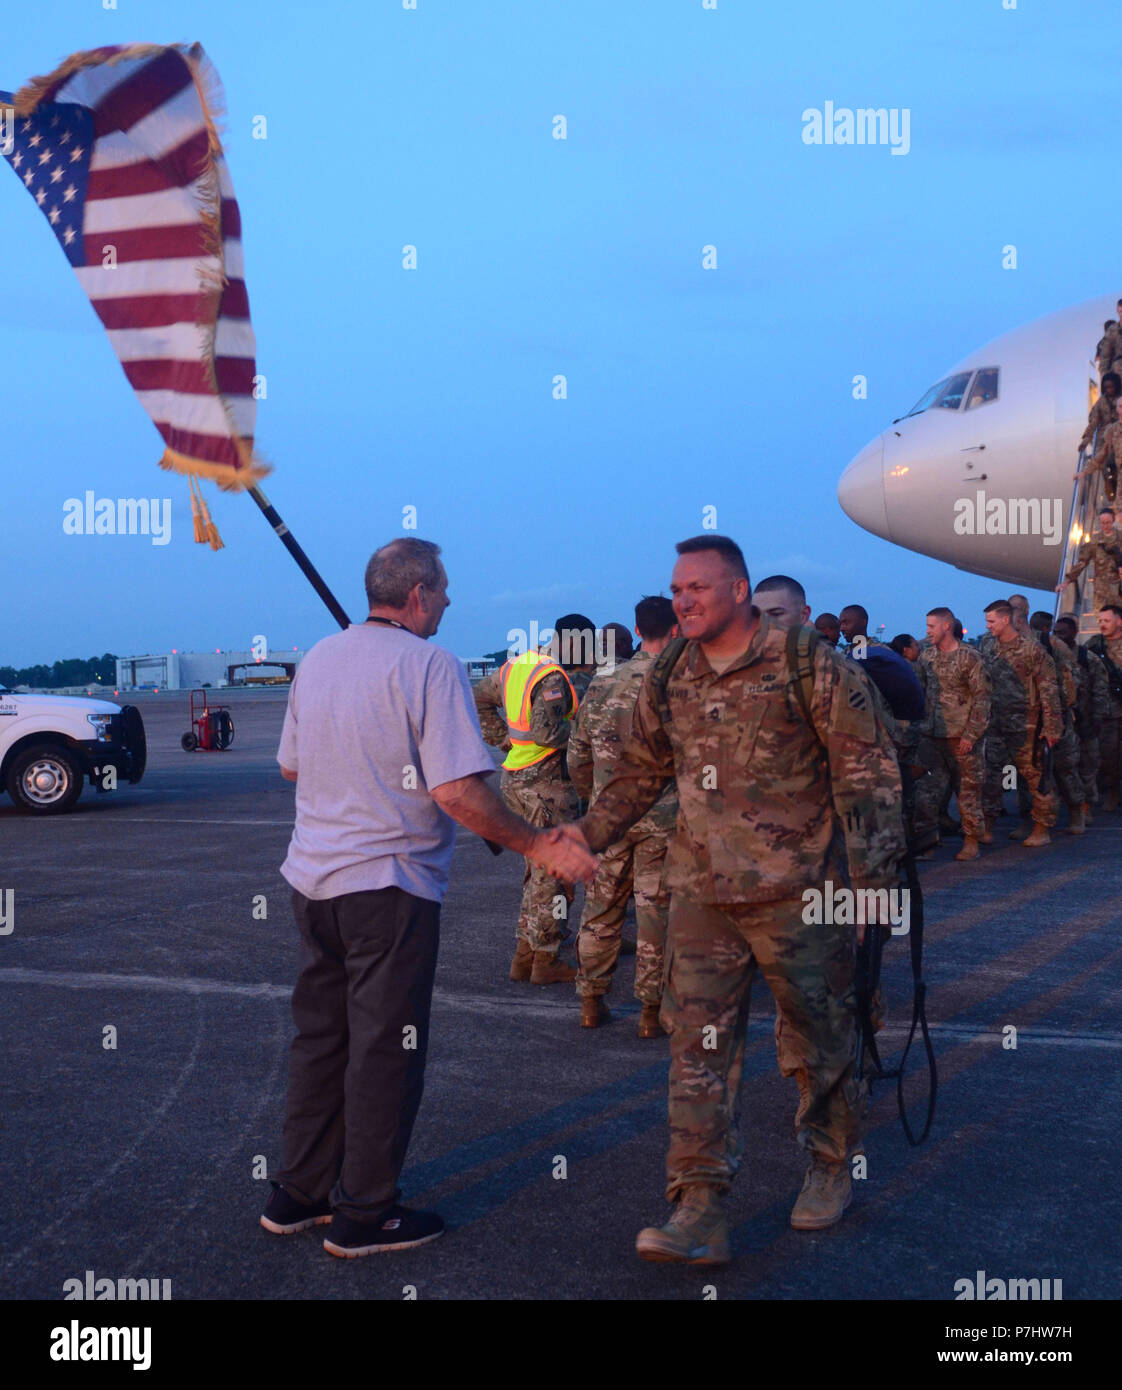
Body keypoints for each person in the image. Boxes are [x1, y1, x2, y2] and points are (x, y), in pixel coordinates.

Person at [573, 535, 905, 1263]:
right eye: (676, 588)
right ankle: (699, 1207)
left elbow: (867, 774)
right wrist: (585, 836)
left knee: (820, 1041)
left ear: (738, 590)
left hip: (803, 896)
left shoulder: (805, 661)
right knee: (697, 1054)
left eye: (697, 588)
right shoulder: (670, 671)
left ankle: (826, 1166)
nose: (683, 600)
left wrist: (875, 898)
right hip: (702, 894)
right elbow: (636, 771)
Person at [263, 538, 596, 1257]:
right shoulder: (430, 664)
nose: (448, 600)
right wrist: (539, 845)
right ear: (417, 594)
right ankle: (365, 1213)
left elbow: (293, 768)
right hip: (387, 888)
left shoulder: (319, 658)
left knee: (323, 1039)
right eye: (443, 590)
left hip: (312, 885)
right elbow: (454, 791)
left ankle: (298, 1190)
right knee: (386, 1050)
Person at [568, 596, 679, 1036]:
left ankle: (591, 1002)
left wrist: (593, 799)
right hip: (664, 818)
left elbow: (578, 752)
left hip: (609, 815)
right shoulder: (680, 680)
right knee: (655, 913)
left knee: (601, 907)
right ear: (676, 629)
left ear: (636, 631)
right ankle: (651, 1012)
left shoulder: (602, 679)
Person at [474, 612, 598, 984]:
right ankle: (545, 958)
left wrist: (503, 739)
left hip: (516, 777)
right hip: (545, 784)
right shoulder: (552, 676)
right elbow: (546, 733)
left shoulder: (519, 664)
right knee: (551, 874)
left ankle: (524, 953)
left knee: (535, 872)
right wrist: (585, 734)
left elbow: (479, 697)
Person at [980, 600, 1061, 846]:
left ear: (1006, 620)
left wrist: (1051, 727)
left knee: (1034, 776)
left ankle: (1041, 827)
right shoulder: (988, 648)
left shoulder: (1032, 650)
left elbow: (1048, 689)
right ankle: (988, 824)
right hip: (995, 724)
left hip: (1026, 725)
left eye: (991, 621)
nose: (988, 626)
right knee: (993, 776)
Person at [913, 608, 991, 860]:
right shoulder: (927, 657)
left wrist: (972, 734)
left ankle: (971, 841)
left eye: (931, 626)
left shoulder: (970, 657)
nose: (927, 631)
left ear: (946, 626)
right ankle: (927, 844)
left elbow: (983, 698)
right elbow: (921, 692)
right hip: (932, 736)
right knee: (926, 794)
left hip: (962, 738)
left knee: (968, 792)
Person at [1029, 611, 1086, 832]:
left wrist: (1059, 713)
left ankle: (1076, 811)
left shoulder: (1052, 647)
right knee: (1023, 774)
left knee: (1065, 768)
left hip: (1056, 718)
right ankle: (1027, 817)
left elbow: (1072, 683)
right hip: (1025, 723)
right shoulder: (1004, 646)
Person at [1054, 614, 1109, 818]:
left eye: (1063, 632)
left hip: (1085, 720)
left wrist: (1097, 718)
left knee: (1088, 766)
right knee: (1064, 766)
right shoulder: (1052, 657)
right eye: (1056, 633)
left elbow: (1100, 690)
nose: (1059, 636)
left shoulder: (1088, 658)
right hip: (1062, 723)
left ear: (1074, 633)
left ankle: (1086, 806)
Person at [1086, 604, 1122, 810]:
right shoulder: (1095, 645)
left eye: (1107, 621)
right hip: (1107, 711)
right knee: (1108, 756)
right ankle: (1112, 792)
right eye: (1100, 621)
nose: (1102, 625)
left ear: (1119, 621)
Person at [1058, 506, 1122, 614]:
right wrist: (1068, 580)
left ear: (1113, 521)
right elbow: (1082, 562)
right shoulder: (1095, 541)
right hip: (1102, 590)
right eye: (1102, 523)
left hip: (1119, 588)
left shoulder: (1120, 538)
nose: (1105, 526)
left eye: (1108, 522)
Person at [1077, 398, 1122, 503]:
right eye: (1120, 406)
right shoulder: (1112, 430)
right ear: (1117, 409)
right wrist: (1085, 471)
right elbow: (1103, 453)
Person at [1078, 371, 1122, 453]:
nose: (1109, 390)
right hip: (1104, 435)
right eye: (1107, 388)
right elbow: (1094, 421)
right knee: (1100, 454)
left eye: (1112, 387)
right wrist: (1086, 440)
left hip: (1119, 433)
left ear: (1117, 386)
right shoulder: (1101, 402)